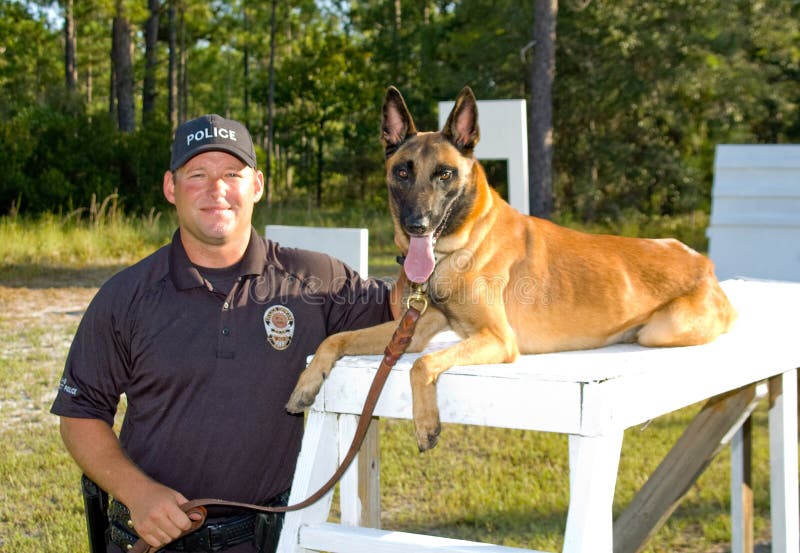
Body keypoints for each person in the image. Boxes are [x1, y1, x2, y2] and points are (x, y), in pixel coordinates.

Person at [51, 114, 400, 553]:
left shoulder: (313, 280)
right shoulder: (126, 295)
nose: (216, 189)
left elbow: (403, 311)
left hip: (264, 539)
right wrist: (138, 493)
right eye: (197, 175)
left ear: (256, 185)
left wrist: (420, 227)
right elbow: (80, 414)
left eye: (231, 174)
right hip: (152, 538)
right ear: (170, 188)